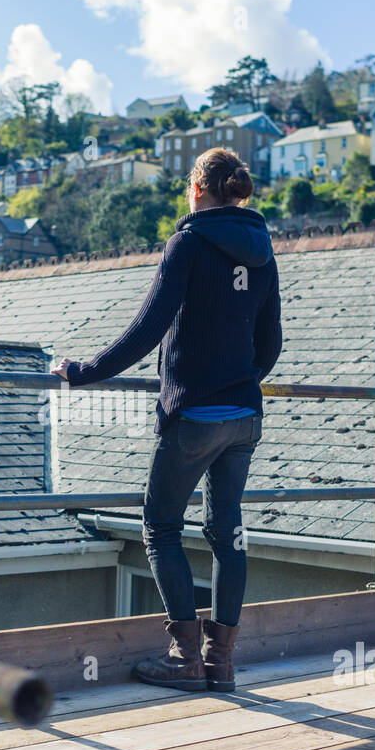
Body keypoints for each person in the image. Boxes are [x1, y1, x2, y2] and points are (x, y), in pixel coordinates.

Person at [52, 147, 282, 692]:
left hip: (195, 416)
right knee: (228, 534)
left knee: (160, 527)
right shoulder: (264, 252)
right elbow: (269, 342)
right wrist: (240, 380)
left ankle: (183, 658)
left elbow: (148, 327)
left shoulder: (188, 243)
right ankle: (220, 663)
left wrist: (85, 371)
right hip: (245, 416)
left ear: (197, 188)